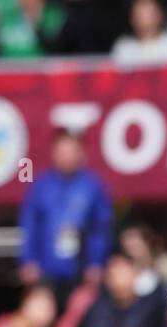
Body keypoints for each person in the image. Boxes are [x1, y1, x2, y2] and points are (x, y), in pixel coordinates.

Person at [18, 129, 114, 308]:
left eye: (71, 151)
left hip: (79, 267)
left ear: (81, 153)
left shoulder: (93, 186)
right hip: (46, 268)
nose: (66, 157)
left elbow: (100, 228)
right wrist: (28, 259)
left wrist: (96, 263)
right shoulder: (41, 185)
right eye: (62, 151)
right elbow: (30, 225)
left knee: (78, 315)